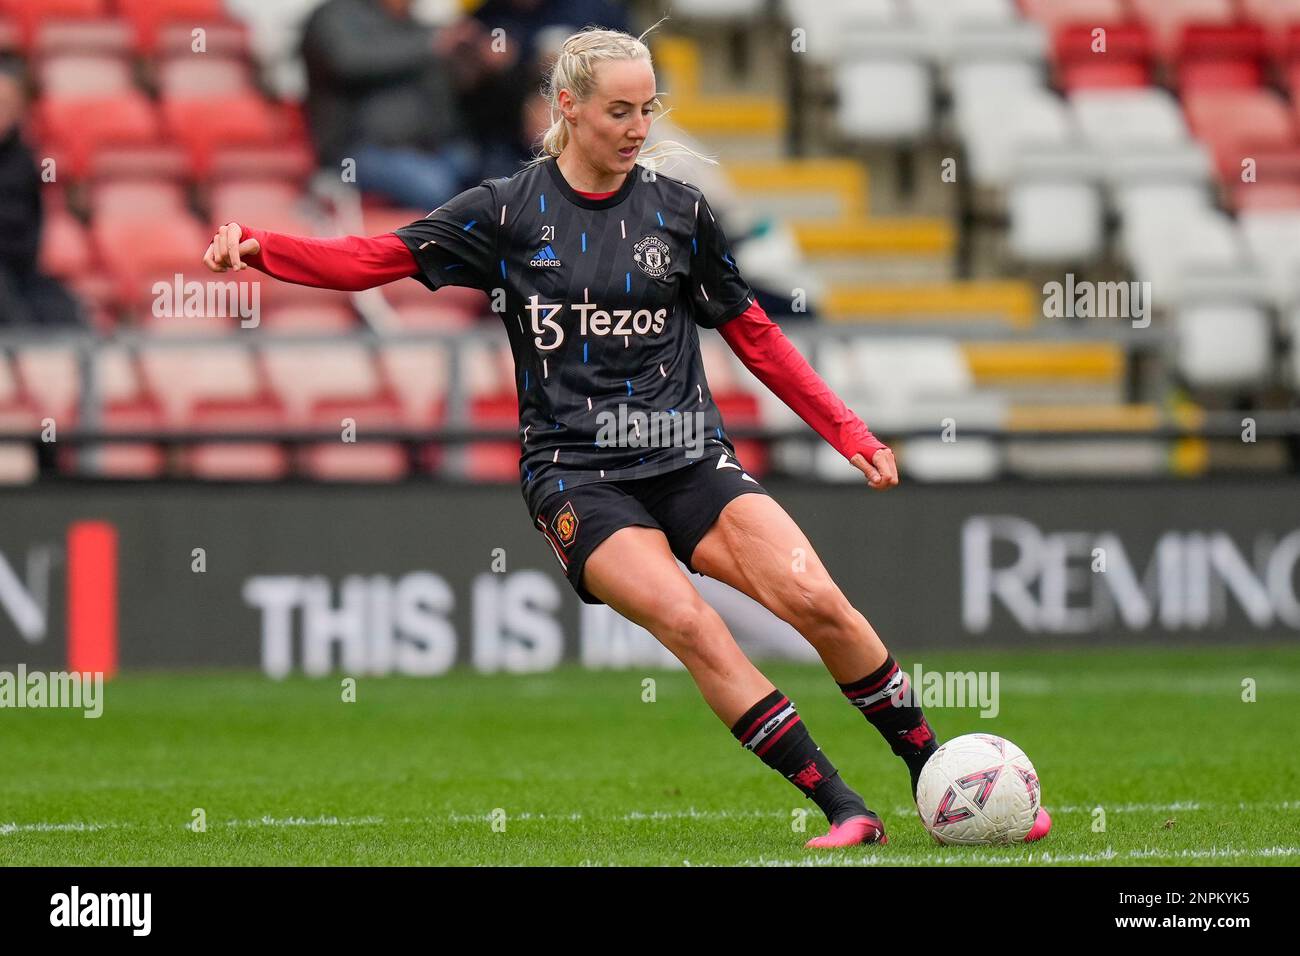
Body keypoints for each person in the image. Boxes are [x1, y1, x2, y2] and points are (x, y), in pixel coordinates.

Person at [204, 24, 1051, 848]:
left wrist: (847, 429)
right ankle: (841, 805)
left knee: (819, 602)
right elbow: (369, 260)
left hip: (689, 457)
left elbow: (753, 332)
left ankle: (933, 771)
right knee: (691, 623)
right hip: (578, 477)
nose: (639, 129)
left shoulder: (679, 212)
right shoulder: (506, 212)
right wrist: (260, 248)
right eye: (620, 111)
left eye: (649, 110)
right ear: (567, 107)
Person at [0, 62, 82, 328]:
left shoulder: (26, 162)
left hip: (19, 271)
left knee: (67, 311)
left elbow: (32, 226)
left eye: (8, 103)